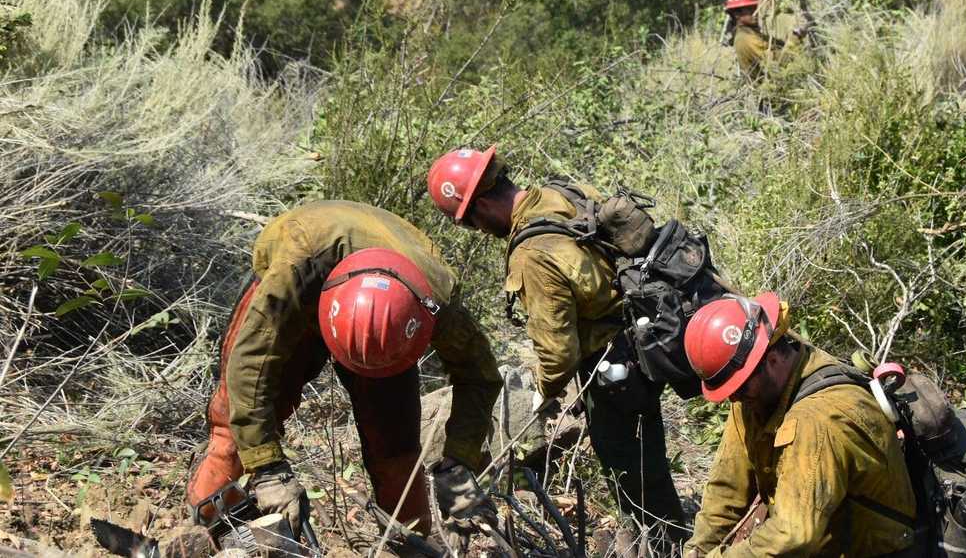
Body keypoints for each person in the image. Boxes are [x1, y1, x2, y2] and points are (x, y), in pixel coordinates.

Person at [185, 200, 502, 544]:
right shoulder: (295, 269)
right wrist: (267, 468)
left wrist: (458, 463)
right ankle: (202, 534)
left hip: (388, 316)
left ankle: (408, 547)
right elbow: (249, 364)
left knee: (395, 452)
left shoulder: (435, 297)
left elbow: (479, 375)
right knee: (230, 428)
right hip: (307, 277)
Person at [427, 146, 689, 545]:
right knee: (647, 457)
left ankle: (668, 545)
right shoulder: (560, 193)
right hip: (643, 335)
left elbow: (558, 352)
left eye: (470, 221)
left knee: (633, 474)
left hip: (613, 366)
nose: (478, 229)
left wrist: (544, 391)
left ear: (481, 204)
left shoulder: (532, 254)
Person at [682, 292, 918, 557]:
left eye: (739, 386)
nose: (734, 398)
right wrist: (697, 551)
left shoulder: (819, 419)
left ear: (771, 360)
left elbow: (793, 536)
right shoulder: (755, 395)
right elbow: (726, 487)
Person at [725, 0, 804, 83]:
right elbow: (778, 65)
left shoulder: (748, 31)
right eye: (750, 9)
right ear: (737, 14)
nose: (756, 12)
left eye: (755, 7)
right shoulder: (746, 39)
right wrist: (795, 37)